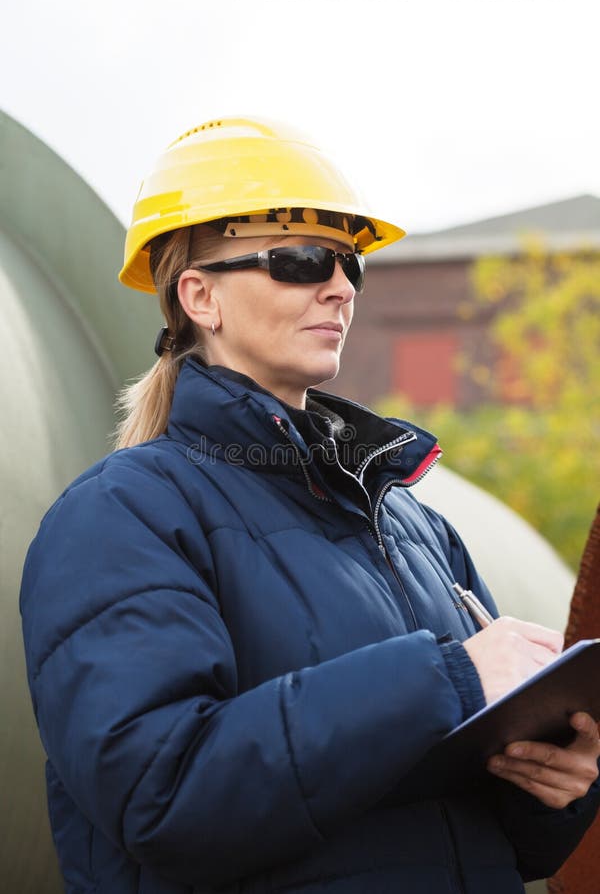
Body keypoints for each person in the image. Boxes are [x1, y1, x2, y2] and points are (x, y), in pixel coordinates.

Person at [20, 117, 600, 894]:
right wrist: (443, 681)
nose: (340, 288)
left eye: (349, 264)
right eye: (301, 261)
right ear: (200, 296)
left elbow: (502, 838)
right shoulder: (120, 516)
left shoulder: (415, 525)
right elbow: (160, 797)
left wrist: (554, 786)